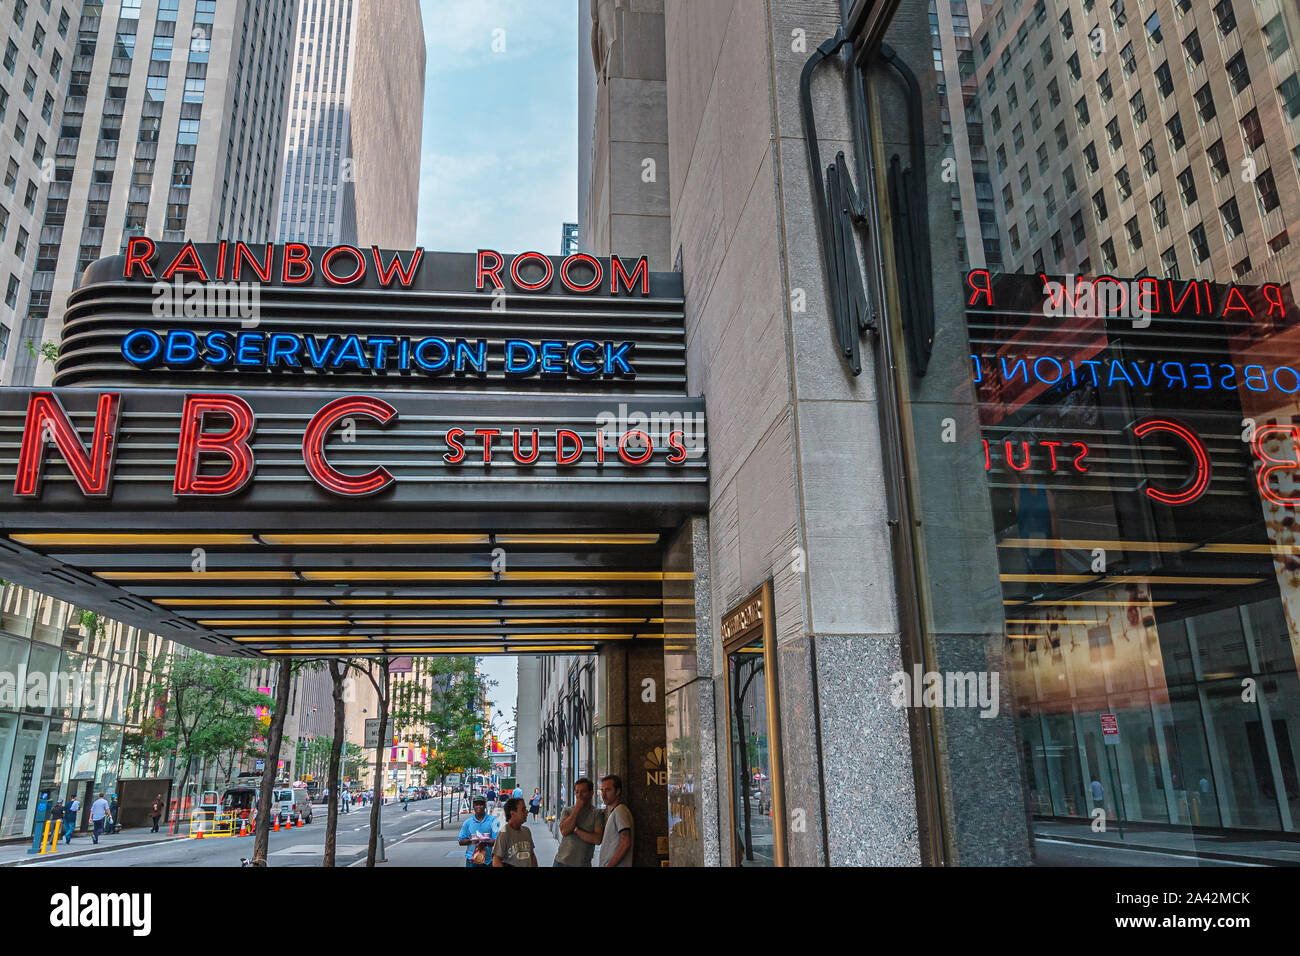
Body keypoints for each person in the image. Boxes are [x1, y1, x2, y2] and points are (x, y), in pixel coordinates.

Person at [554, 777, 603, 867]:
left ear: (591, 793)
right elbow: (564, 831)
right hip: (562, 862)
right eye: (577, 792)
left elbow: (597, 839)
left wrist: (576, 829)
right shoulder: (567, 811)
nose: (579, 795)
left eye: (583, 792)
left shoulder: (596, 813)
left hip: (583, 863)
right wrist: (576, 809)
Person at [597, 774, 633, 867]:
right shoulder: (616, 811)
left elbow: (625, 842)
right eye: (602, 790)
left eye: (608, 790)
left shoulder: (620, 811)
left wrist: (609, 865)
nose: (603, 795)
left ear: (617, 791)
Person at [493, 797, 537, 867]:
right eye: (523, 810)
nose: (526, 811)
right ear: (512, 813)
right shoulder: (504, 833)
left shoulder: (527, 831)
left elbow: (532, 855)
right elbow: (496, 860)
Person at [457, 795, 499, 867]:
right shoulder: (468, 822)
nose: (479, 807)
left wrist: (485, 842)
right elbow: (461, 841)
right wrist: (471, 840)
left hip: (487, 861)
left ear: (485, 806)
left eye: (481, 804)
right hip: (471, 861)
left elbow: (497, 840)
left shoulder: (493, 821)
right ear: (473, 806)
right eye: (476, 805)